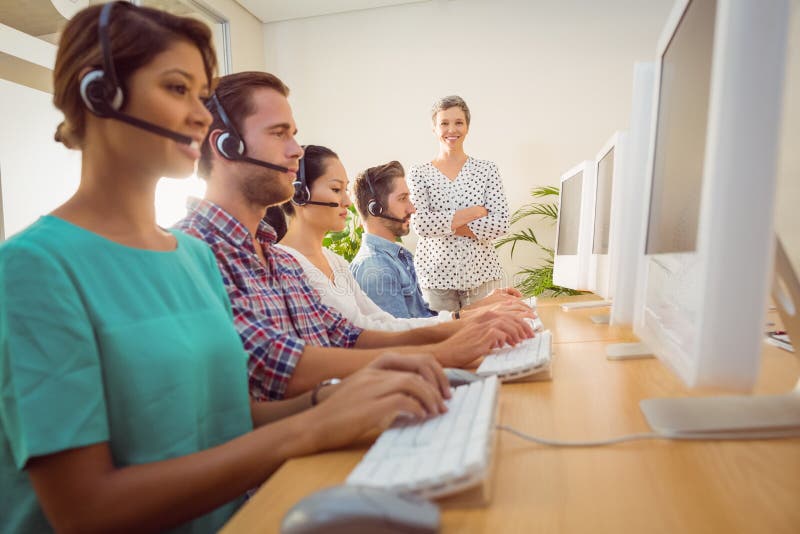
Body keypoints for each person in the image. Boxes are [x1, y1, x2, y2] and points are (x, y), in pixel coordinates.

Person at [0, 4, 451, 532]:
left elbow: (224, 420)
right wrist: (312, 427)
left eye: (200, 94)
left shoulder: (190, 258)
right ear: (99, 94)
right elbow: (85, 510)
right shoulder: (33, 269)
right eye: (176, 88)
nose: (199, 114)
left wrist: (335, 398)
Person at [175, 72, 534, 402]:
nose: (296, 151)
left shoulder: (278, 259)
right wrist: (444, 347)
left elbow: (350, 336)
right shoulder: (190, 255)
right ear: (225, 146)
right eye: (279, 133)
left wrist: (463, 325)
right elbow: (282, 369)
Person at [276, 145, 534, 331]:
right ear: (299, 194)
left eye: (344, 190)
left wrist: (481, 308)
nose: (413, 208)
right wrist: (476, 318)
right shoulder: (373, 269)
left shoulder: (338, 263)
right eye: (335, 189)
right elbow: (396, 340)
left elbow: (394, 326)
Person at [350, 160, 521, 320]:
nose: (413, 208)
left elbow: (427, 320)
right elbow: (402, 338)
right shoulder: (376, 268)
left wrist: (485, 305)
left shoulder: (398, 258)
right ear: (375, 208)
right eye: (403, 199)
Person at [407, 95, 510, 313]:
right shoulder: (419, 173)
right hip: (435, 279)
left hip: (482, 276)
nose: (451, 130)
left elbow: (500, 223)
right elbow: (422, 225)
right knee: (443, 342)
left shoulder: (487, 170)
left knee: (487, 339)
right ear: (434, 128)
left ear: (467, 127)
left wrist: (445, 224)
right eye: (444, 123)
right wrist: (474, 212)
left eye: (458, 123)